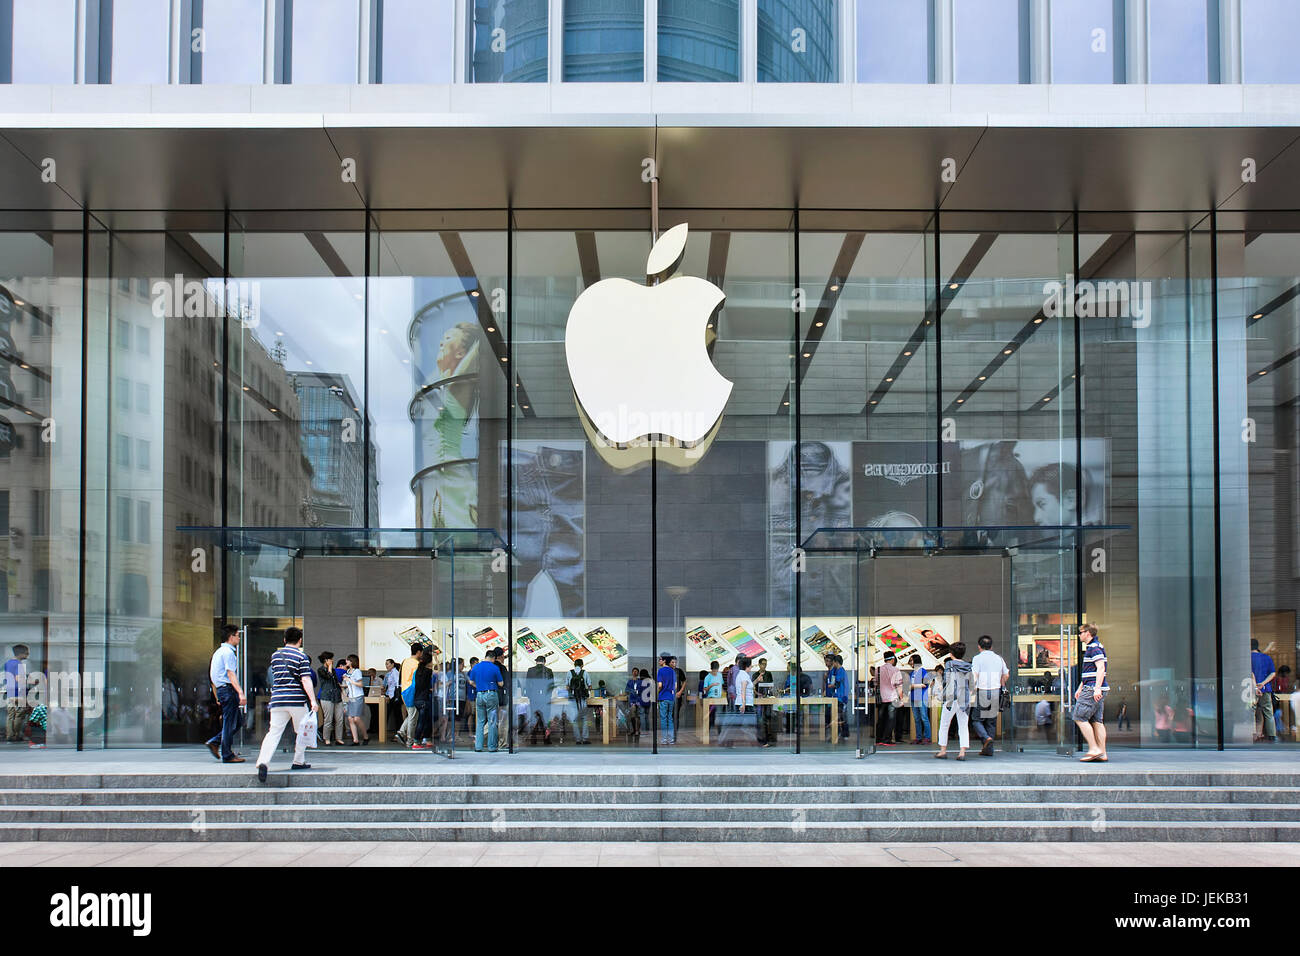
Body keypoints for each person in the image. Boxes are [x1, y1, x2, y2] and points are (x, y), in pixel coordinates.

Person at [255, 626, 319, 782]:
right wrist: (312, 700)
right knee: (302, 730)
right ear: (300, 640)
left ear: (284, 640)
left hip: (277, 699)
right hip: (296, 700)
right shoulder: (301, 656)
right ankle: (298, 761)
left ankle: (263, 761)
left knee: (274, 732)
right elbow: (305, 679)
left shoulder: (275, 656)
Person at [205, 624, 245, 763]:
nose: (239, 638)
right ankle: (227, 754)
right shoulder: (228, 653)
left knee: (237, 722)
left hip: (223, 690)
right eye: (237, 635)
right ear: (231, 637)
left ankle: (215, 742)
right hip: (228, 690)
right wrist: (240, 692)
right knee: (230, 723)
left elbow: (212, 677)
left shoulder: (218, 652)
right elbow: (230, 673)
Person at [1073, 623, 1109, 762]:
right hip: (1093, 687)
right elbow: (1091, 671)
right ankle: (1102, 752)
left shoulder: (1094, 648)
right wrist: (1081, 686)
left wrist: (1096, 688)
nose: (1079, 635)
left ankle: (1094, 748)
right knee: (1097, 721)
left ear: (1088, 633)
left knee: (1079, 717)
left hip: (1093, 689)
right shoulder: (1096, 647)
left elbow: (1100, 668)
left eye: (1081, 632)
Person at [970, 635, 1008, 757]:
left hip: (983, 691)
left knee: (976, 720)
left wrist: (972, 689)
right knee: (991, 722)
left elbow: (974, 675)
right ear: (991, 646)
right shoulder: (999, 658)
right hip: (996, 691)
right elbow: (1006, 675)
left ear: (979, 646)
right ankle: (988, 750)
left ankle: (986, 738)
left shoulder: (977, 658)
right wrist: (1001, 683)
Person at [934, 642, 971, 760]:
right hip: (964, 698)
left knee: (944, 724)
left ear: (951, 654)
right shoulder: (968, 665)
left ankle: (943, 750)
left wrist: (941, 695)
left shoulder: (949, 664)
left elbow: (948, 682)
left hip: (952, 699)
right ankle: (962, 752)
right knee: (963, 725)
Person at [468, 651, 503, 752]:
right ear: (493, 658)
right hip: (491, 694)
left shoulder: (476, 667)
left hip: (479, 694)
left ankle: (478, 746)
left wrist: (478, 686)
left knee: (480, 721)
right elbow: (501, 683)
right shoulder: (494, 667)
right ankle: (491, 747)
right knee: (492, 721)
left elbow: (471, 682)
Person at [395, 641, 422, 745]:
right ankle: (409, 740)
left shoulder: (405, 661)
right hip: (412, 691)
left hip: (404, 691)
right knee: (413, 717)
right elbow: (417, 680)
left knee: (411, 715)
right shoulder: (416, 664)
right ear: (419, 652)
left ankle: (401, 732)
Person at [316, 652, 345, 746]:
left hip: (337, 696)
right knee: (328, 719)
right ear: (326, 660)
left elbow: (336, 682)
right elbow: (328, 677)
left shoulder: (333, 670)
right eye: (330, 659)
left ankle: (339, 738)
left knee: (339, 719)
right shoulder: (321, 670)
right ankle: (326, 738)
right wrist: (329, 668)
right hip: (326, 696)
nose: (332, 660)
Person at [1251, 638, 1277, 742]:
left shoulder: (1246, 658)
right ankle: (1272, 736)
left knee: (1251, 713)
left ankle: (1253, 734)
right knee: (1268, 713)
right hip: (1265, 689)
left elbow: (1250, 674)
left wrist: (1256, 686)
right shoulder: (1266, 657)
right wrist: (1264, 683)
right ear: (1257, 646)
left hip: (1251, 690)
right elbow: (1273, 673)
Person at [875, 651, 903, 746]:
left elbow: (876, 683)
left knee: (881, 718)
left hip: (882, 698)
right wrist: (902, 699)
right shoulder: (896, 670)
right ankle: (886, 739)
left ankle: (878, 739)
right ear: (893, 659)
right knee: (891, 719)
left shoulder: (878, 670)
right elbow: (899, 686)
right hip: (892, 697)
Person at [3, 644, 29, 742]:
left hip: (10, 692)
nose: (28, 655)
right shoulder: (19, 664)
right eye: (26, 653)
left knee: (10, 716)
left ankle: (9, 735)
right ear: (21, 653)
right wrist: (30, 682)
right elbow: (19, 679)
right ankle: (17, 735)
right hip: (19, 692)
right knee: (19, 715)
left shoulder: (7, 663)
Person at [526, 655, 554, 744]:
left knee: (534, 717)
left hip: (534, 698)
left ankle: (533, 739)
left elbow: (527, 685)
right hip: (545, 698)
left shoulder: (530, 670)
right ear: (544, 662)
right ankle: (546, 739)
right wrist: (548, 696)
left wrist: (530, 696)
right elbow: (551, 686)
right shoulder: (549, 671)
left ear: (536, 661)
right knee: (545, 718)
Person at [410, 648, 434, 750]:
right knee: (422, 721)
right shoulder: (428, 672)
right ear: (429, 662)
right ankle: (416, 742)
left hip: (417, 699)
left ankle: (427, 739)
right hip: (424, 699)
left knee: (427, 720)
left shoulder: (418, 671)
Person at [342, 654, 368, 745]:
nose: (346, 661)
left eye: (348, 660)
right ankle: (355, 740)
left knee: (356, 718)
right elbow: (348, 685)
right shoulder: (348, 671)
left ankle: (365, 736)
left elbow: (360, 684)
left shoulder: (357, 671)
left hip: (358, 696)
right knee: (350, 718)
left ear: (352, 661)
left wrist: (349, 680)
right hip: (351, 697)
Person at [908, 654, 931, 745]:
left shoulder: (923, 671)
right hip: (913, 697)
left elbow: (925, 684)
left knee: (924, 717)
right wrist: (915, 686)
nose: (910, 662)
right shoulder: (912, 673)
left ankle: (927, 737)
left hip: (921, 697)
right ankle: (918, 737)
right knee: (917, 718)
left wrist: (913, 686)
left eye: (911, 660)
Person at [568, 657, 592, 745]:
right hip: (582, 698)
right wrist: (588, 693)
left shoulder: (569, 672)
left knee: (575, 719)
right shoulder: (584, 672)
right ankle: (585, 738)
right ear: (582, 665)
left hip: (573, 699)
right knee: (584, 718)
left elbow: (567, 686)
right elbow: (589, 685)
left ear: (574, 665)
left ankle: (578, 739)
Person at [657, 653, 677, 745]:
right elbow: (675, 686)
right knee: (670, 718)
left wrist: (657, 692)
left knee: (663, 718)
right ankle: (671, 739)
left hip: (663, 697)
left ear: (665, 661)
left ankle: (664, 739)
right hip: (671, 698)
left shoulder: (660, 671)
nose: (659, 661)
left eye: (660, 659)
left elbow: (660, 685)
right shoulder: (673, 671)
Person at [702, 660, 723, 732]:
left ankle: (720, 733)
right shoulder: (708, 677)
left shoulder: (720, 675)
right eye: (714, 671)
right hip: (711, 699)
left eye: (716, 670)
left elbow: (722, 686)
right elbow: (704, 690)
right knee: (711, 716)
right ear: (711, 669)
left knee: (719, 717)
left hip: (719, 699)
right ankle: (707, 732)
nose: (715, 672)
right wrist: (711, 685)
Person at [624, 668, 644, 743]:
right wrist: (631, 691)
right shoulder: (629, 682)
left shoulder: (640, 682)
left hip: (639, 700)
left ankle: (637, 730)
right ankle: (634, 729)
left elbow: (643, 690)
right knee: (632, 714)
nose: (635, 672)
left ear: (638, 673)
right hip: (632, 700)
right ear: (632, 673)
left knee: (638, 715)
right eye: (634, 671)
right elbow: (626, 690)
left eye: (636, 671)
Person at [383, 658, 401, 735]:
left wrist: (396, 696)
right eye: (385, 664)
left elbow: (397, 684)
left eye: (387, 664)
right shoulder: (389, 673)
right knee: (388, 714)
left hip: (394, 696)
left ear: (392, 664)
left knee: (397, 715)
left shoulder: (395, 672)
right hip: (389, 695)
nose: (386, 666)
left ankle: (399, 733)